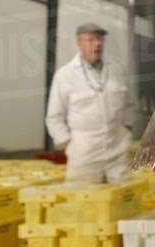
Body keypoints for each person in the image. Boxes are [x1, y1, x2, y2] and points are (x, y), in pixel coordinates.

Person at [44, 23, 132, 183]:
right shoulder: (65, 75)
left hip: (117, 148)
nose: (97, 44)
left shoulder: (118, 70)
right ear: (78, 43)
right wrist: (68, 144)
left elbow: (129, 105)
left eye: (100, 39)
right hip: (84, 151)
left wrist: (127, 128)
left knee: (120, 198)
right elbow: (54, 117)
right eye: (90, 40)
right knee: (84, 199)